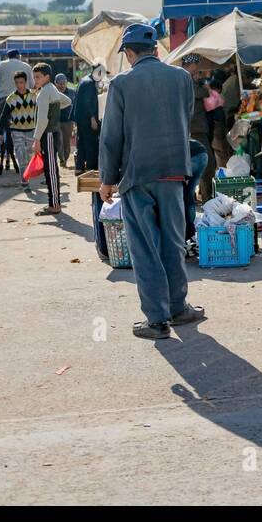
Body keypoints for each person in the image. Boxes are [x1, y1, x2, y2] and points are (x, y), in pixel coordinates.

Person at [99, 24, 204, 340]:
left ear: (129, 54)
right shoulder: (181, 78)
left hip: (138, 175)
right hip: (174, 172)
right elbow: (185, 118)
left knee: (145, 248)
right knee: (173, 242)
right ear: (156, 50)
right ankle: (178, 308)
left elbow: (111, 137)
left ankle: (157, 321)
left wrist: (107, 179)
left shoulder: (121, 84)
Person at [31, 62, 71, 216]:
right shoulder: (51, 89)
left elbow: (42, 120)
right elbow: (67, 101)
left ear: (47, 77)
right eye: (34, 77)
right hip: (54, 132)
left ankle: (54, 204)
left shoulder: (43, 93)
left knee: (51, 170)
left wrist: (36, 139)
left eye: (38, 77)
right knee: (51, 169)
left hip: (47, 134)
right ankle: (54, 203)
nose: (35, 80)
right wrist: (54, 111)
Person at [180, 54, 217, 201]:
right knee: (207, 164)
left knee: (202, 164)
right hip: (195, 130)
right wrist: (205, 87)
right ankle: (206, 197)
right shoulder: (185, 79)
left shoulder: (188, 78)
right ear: (189, 65)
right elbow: (202, 93)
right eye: (196, 65)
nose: (198, 69)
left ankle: (203, 195)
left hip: (195, 129)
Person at [1, 71, 37, 191]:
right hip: (16, 131)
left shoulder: (34, 96)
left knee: (29, 156)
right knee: (21, 157)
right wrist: (0, 133)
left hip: (31, 130)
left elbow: (40, 113)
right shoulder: (11, 98)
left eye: (21, 82)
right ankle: (24, 182)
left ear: (25, 82)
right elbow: (3, 116)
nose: (19, 85)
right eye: (17, 83)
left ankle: (26, 178)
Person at [73, 64, 103, 173]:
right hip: (87, 119)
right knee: (91, 144)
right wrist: (92, 119)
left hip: (81, 118)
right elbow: (88, 102)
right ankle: (90, 168)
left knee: (81, 143)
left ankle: (79, 168)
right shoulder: (90, 83)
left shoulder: (84, 80)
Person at [54, 73, 76, 167]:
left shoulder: (72, 92)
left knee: (66, 142)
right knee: (59, 141)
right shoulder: (53, 93)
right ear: (55, 84)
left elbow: (75, 106)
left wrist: (75, 121)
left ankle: (65, 159)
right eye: (60, 83)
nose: (62, 85)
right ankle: (61, 159)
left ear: (66, 82)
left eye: (64, 83)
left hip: (68, 121)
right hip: (56, 121)